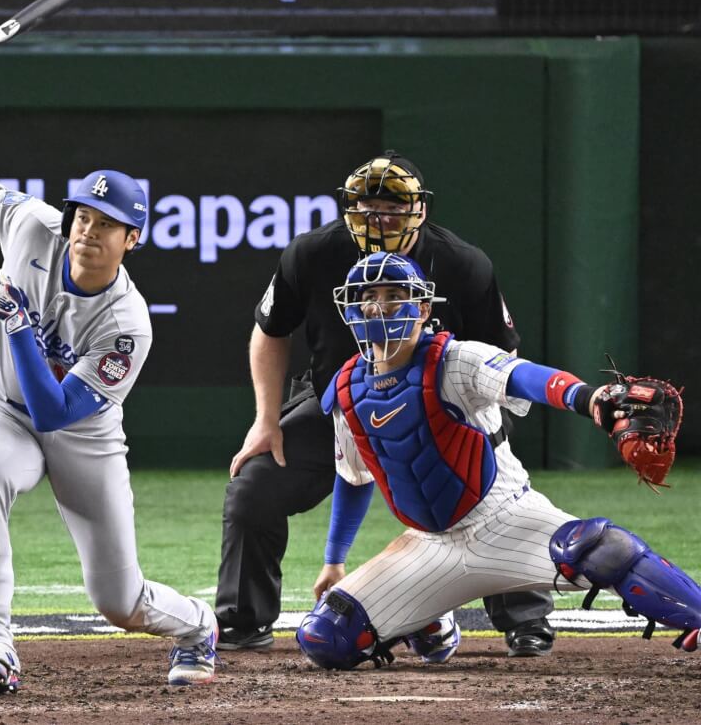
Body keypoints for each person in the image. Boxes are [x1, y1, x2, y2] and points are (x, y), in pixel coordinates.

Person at [0, 86, 218, 691]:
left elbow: (55, 412)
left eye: (108, 224)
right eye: (84, 214)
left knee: (119, 601)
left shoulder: (127, 325)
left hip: (82, 435)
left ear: (132, 239)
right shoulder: (32, 226)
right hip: (1, 409)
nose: (90, 229)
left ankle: (195, 626)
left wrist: (14, 320)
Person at [217, 151, 556, 657]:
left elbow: (504, 357)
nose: (380, 218)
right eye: (368, 206)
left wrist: (482, 424)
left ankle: (524, 616)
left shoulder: (464, 264)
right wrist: (266, 419)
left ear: (419, 211)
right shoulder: (313, 253)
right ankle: (243, 622)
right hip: (340, 399)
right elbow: (270, 331)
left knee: (492, 493)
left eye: (393, 207)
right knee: (253, 487)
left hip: (440, 404)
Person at [296, 251, 698, 670]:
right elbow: (353, 475)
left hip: (507, 521)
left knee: (605, 550)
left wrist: (589, 398)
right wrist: (334, 559)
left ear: (423, 308)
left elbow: (525, 377)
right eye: (369, 296)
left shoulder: (455, 359)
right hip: (428, 545)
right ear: (353, 307)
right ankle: (434, 623)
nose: (379, 306)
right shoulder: (347, 389)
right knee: (327, 637)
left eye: (395, 295)